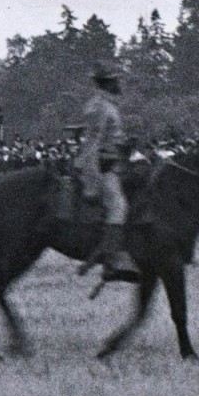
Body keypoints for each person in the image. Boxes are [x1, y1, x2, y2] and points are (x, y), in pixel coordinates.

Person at [75, 63, 139, 283]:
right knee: (119, 207)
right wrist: (92, 179)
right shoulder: (101, 107)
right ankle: (111, 263)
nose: (119, 83)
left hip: (113, 162)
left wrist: (125, 144)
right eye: (115, 80)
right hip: (102, 166)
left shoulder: (107, 105)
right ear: (108, 83)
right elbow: (93, 142)